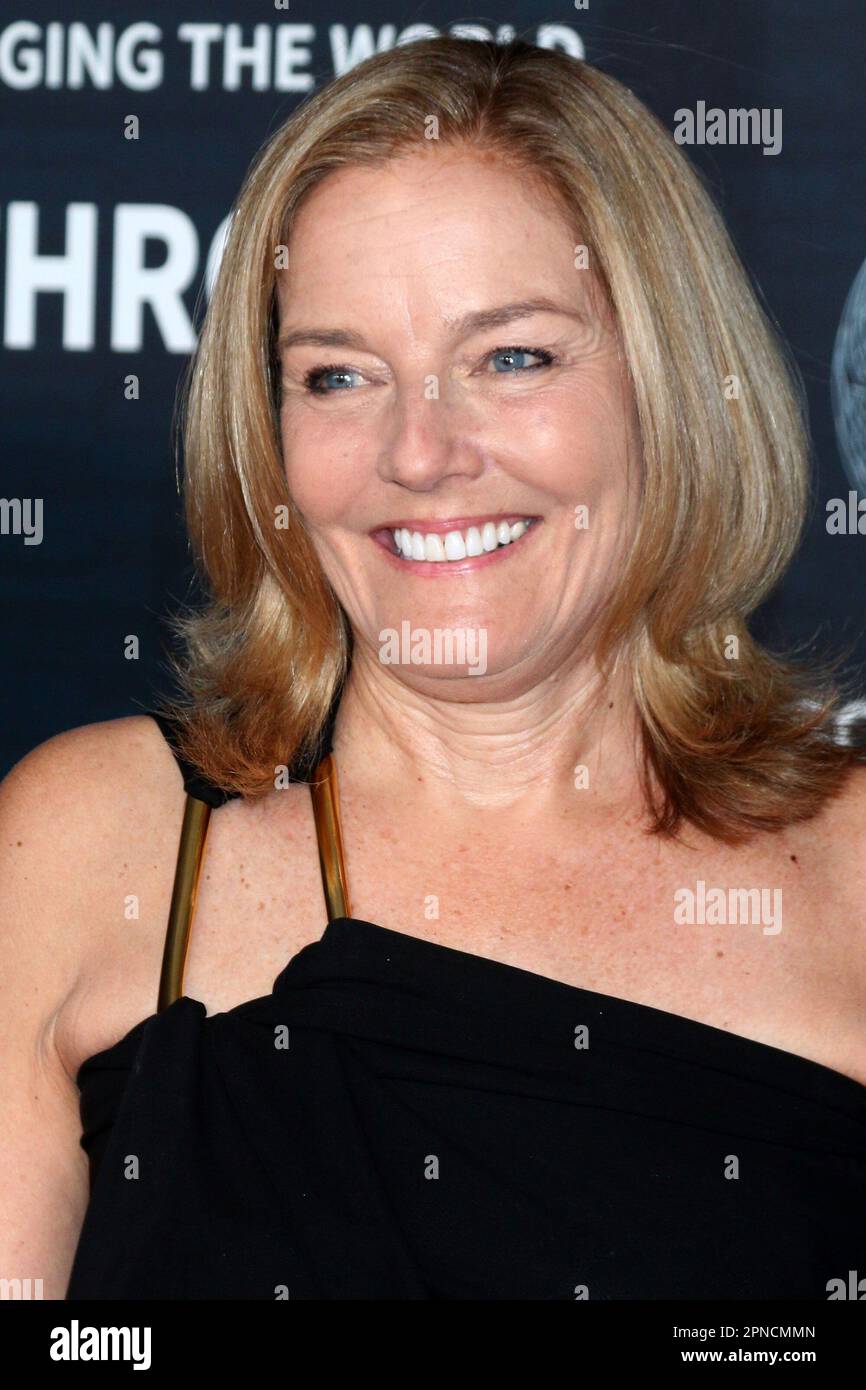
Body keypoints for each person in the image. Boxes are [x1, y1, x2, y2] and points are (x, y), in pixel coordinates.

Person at [2, 36, 865, 1302]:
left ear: (670, 386)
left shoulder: (852, 874)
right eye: (338, 375)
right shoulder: (94, 847)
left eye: (510, 356)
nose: (419, 450)